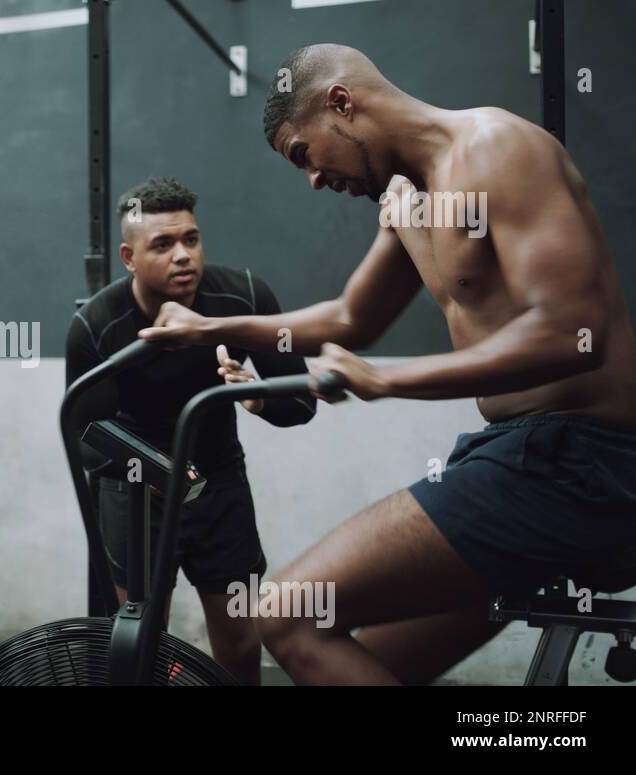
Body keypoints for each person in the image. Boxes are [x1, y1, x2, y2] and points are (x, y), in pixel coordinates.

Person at [141, 44, 636, 685]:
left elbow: (574, 333)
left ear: (340, 103)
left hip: (581, 460)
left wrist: (389, 379)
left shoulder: (494, 148)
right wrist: (208, 326)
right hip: (517, 458)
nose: (314, 179)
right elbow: (352, 319)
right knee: (371, 664)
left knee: (288, 616)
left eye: (304, 154)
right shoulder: (407, 198)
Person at [68, 176, 315, 685]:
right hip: (134, 491)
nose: (183, 255)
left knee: (242, 643)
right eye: (163, 244)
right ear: (129, 257)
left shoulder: (243, 295)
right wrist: (160, 473)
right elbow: (88, 436)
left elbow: (302, 404)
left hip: (218, 482)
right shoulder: (97, 325)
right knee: (141, 643)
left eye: (191, 240)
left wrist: (257, 395)